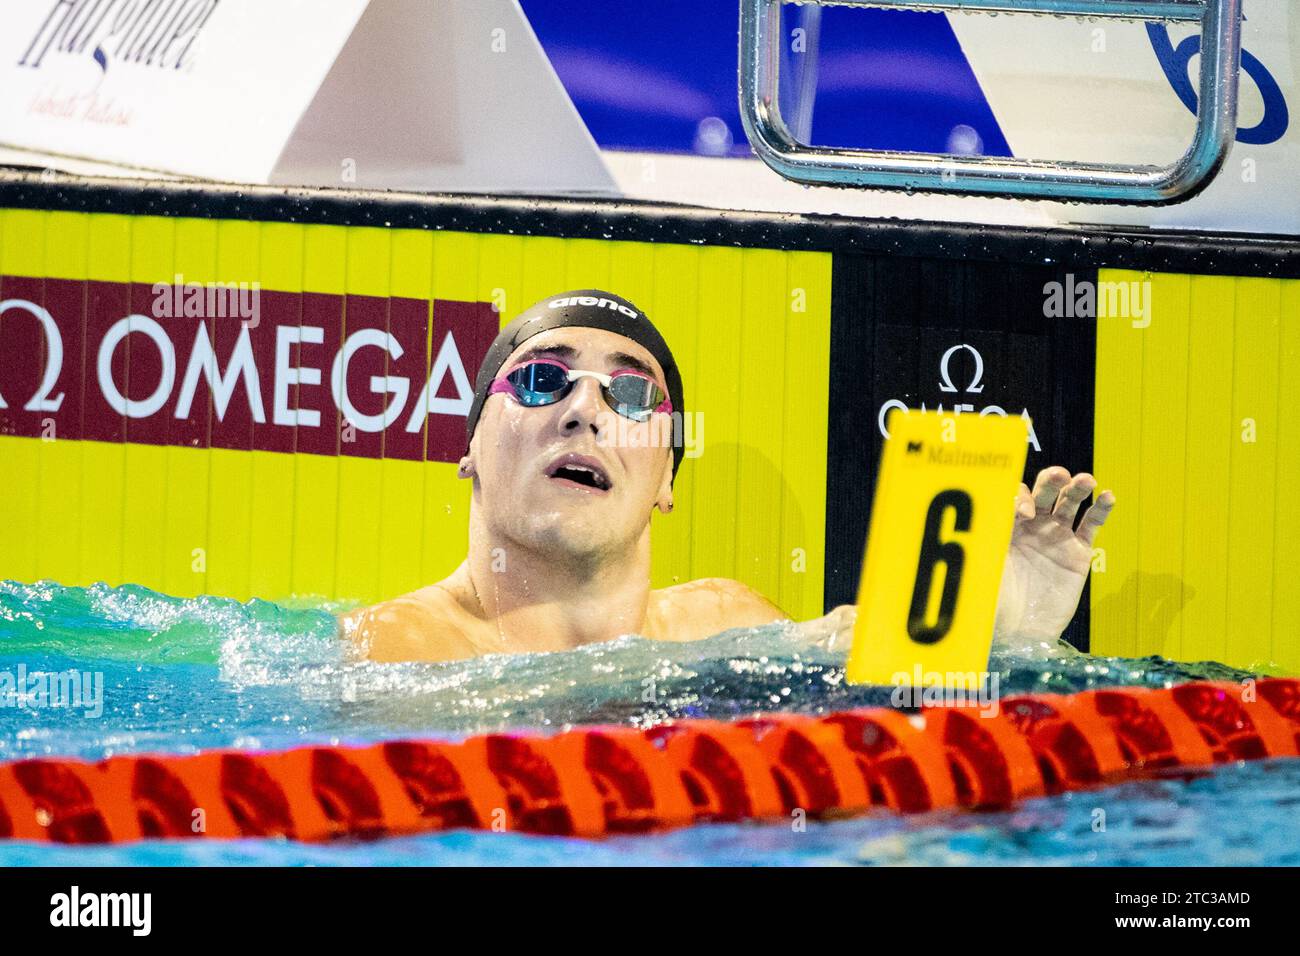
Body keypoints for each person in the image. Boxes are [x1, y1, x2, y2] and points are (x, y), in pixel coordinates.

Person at [341, 289, 1114, 663]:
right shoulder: (396, 646)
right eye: (542, 379)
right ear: (469, 446)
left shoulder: (728, 622)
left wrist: (1004, 640)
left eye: (634, 393)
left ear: (668, 480)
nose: (584, 408)